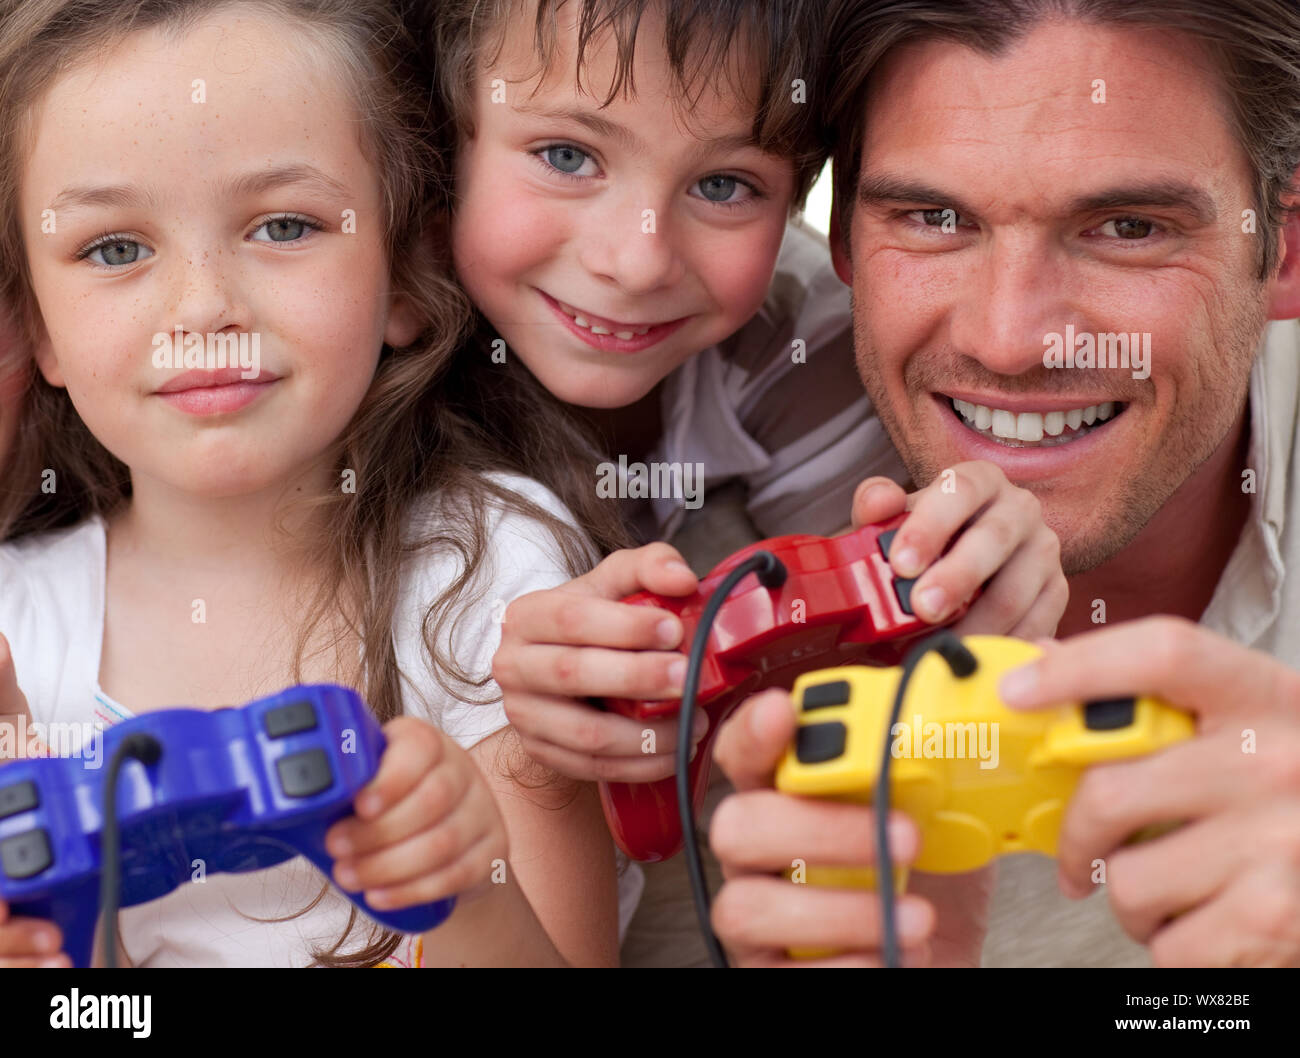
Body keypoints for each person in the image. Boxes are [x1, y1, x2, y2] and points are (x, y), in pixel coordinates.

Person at [448, 0, 1070, 966]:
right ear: (440, 131)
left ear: (804, 199)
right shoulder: (362, 326)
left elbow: (857, 696)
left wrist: (965, 606)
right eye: (568, 156)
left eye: (728, 184)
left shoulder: (797, 351)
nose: (637, 258)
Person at [0, 0, 619, 968]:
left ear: (409, 267)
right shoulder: (16, 631)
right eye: (115, 248)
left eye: (284, 225)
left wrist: (464, 888)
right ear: (38, 325)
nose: (203, 305)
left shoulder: (492, 583)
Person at [710, 0, 1300, 967]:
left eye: (1127, 226)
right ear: (842, 242)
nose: (1011, 339)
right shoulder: (656, 586)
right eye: (935, 220)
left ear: (1282, 247)